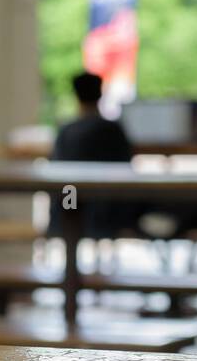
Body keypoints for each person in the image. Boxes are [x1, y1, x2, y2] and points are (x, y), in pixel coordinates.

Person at [48, 71, 140, 239]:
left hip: (71, 208)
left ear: (76, 96)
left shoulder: (67, 131)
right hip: (109, 211)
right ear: (100, 94)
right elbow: (128, 168)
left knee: (69, 192)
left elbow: (57, 173)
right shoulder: (113, 130)